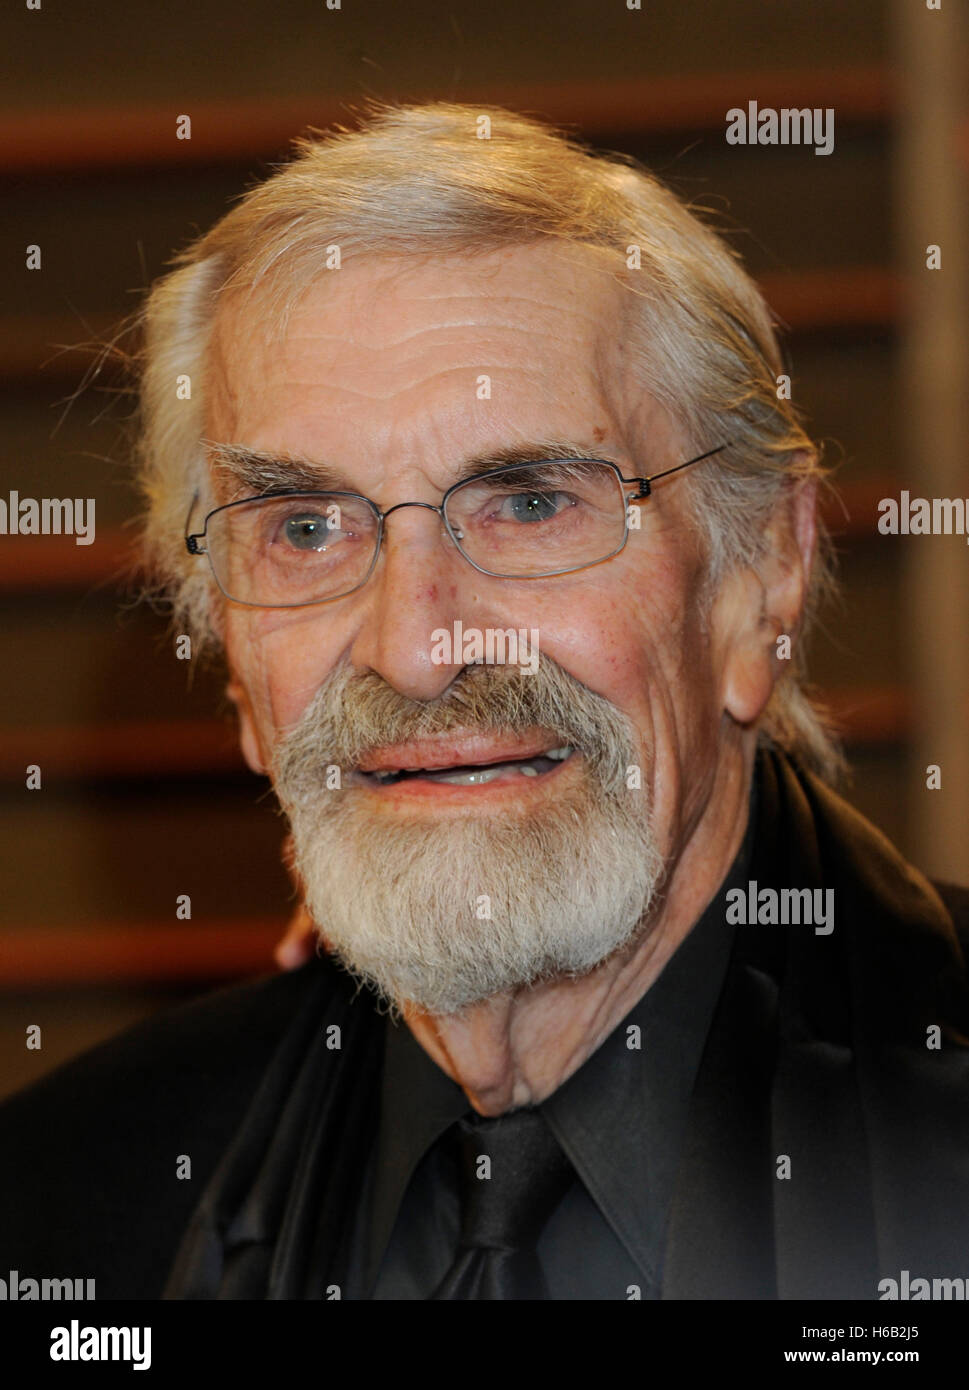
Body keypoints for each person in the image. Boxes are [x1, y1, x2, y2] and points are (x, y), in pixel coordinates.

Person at [1, 102, 966, 1302]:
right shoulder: (57, 1215)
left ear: (758, 573)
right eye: (305, 527)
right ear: (233, 662)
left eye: (528, 504)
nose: (415, 646)